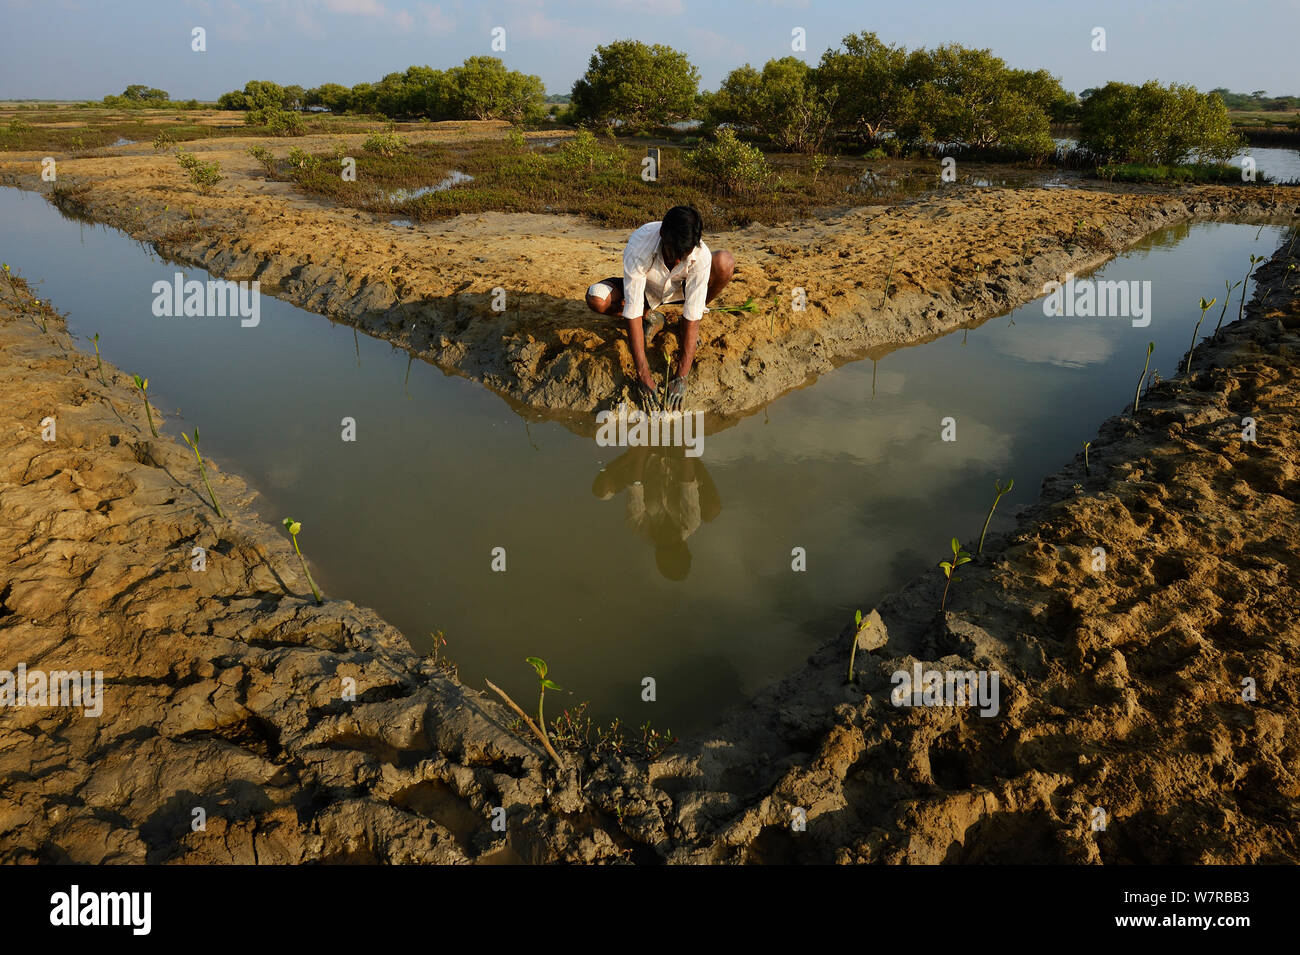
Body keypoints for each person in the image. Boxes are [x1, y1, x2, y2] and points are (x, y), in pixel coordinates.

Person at [585, 205, 735, 412]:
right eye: (671, 252)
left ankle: (679, 323)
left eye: (682, 256)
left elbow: (693, 316)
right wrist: (643, 376)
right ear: (662, 234)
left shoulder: (700, 254)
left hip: (677, 293)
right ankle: (652, 317)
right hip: (646, 292)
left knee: (725, 262)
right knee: (596, 299)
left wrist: (681, 377)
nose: (675, 261)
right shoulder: (641, 243)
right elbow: (632, 310)